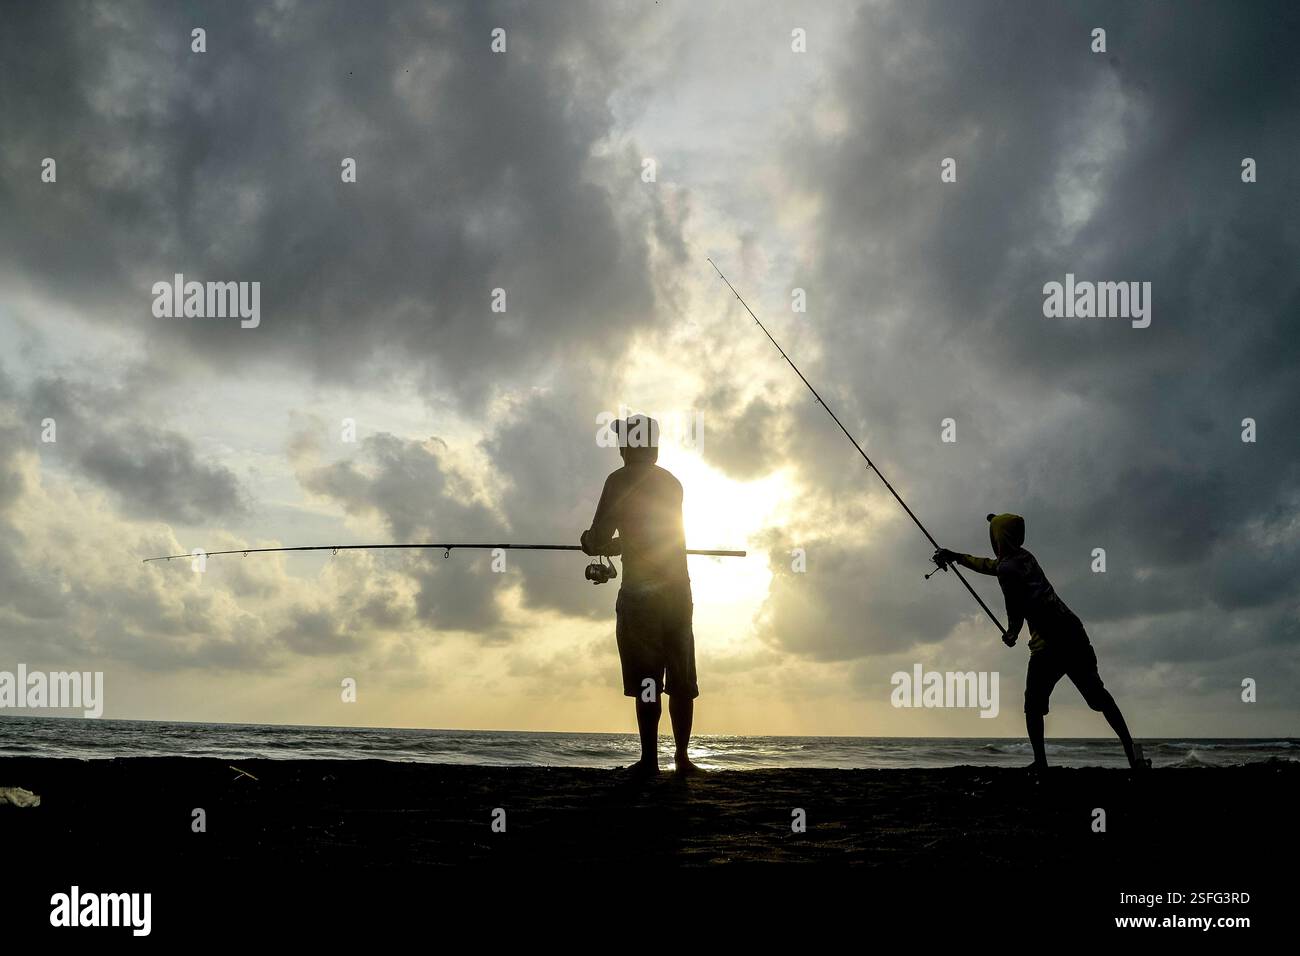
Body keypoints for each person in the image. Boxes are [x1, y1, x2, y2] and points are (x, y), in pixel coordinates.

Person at [933, 513, 1149, 772]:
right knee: (1098, 697)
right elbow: (990, 566)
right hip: (1073, 632)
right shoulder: (1025, 557)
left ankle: (1041, 763)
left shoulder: (1008, 569)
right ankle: (1133, 756)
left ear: (998, 537)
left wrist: (1012, 632)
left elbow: (1015, 604)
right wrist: (955, 556)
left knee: (1033, 705)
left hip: (1049, 643)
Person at [581, 414, 699, 779]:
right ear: (655, 446)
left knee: (648, 679)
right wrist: (622, 545)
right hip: (679, 591)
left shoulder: (619, 480)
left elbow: (598, 538)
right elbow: (652, 536)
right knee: (681, 680)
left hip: (640, 596)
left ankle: (650, 760)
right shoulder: (672, 483)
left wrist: (591, 543)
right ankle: (682, 758)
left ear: (629, 446)